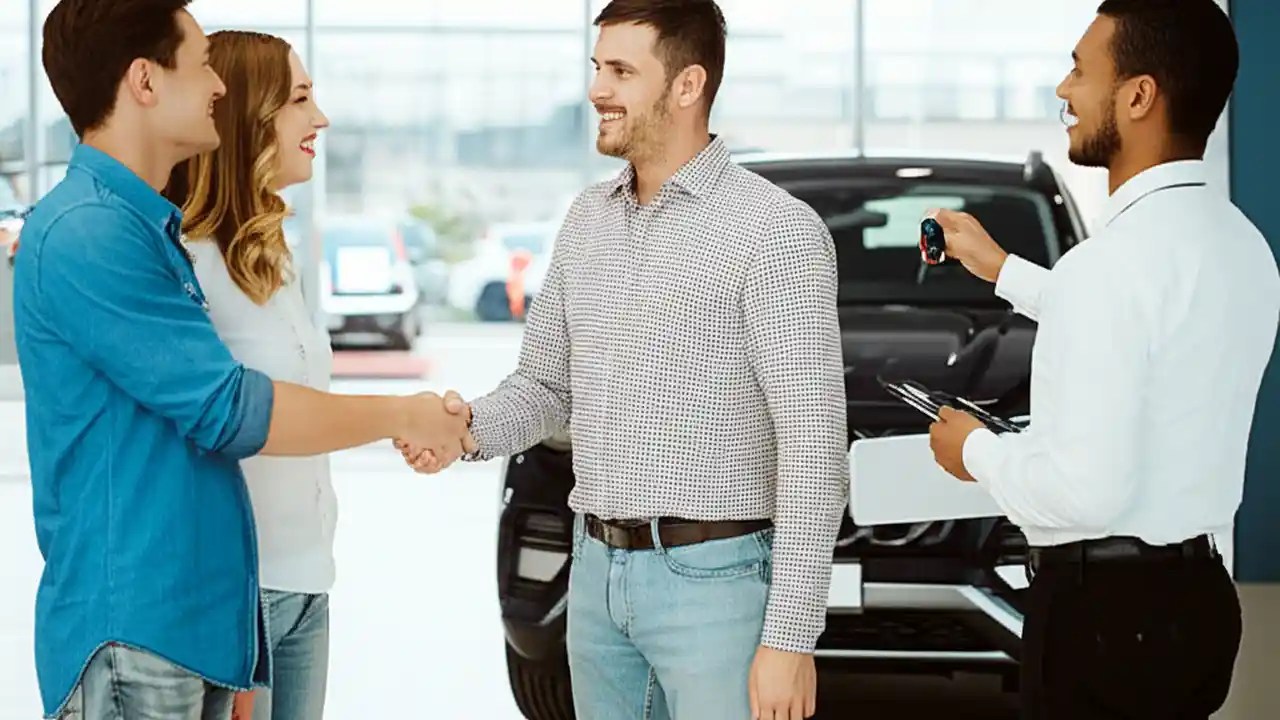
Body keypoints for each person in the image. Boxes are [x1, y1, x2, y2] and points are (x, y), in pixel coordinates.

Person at [14, 2, 474, 719]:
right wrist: (400, 415)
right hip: (135, 627)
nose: (219, 86)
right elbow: (228, 410)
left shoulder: (144, 229)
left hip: (193, 623)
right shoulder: (89, 231)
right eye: (202, 65)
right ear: (144, 81)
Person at [401, 1, 847, 718]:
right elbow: (545, 386)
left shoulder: (775, 232)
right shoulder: (588, 218)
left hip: (717, 589)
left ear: (687, 84)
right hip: (596, 580)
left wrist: (791, 638)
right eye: (597, 68)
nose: (596, 90)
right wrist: (464, 430)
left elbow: (814, 448)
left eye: (620, 71)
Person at [925, 1, 1280, 718]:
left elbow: (1084, 493)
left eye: (1080, 71)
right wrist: (1004, 270)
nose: (1064, 90)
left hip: (1103, 622)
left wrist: (976, 451)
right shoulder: (1242, 246)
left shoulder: (1108, 268)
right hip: (1198, 603)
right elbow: (1149, 331)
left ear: (1139, 95)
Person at [162, 30, 334, 720]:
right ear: (247, 116)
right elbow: (190, 450)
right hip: (239, 601)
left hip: (308, 584)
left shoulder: (274, 256)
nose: (319, 118)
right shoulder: (188, 263)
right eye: (300, 99)